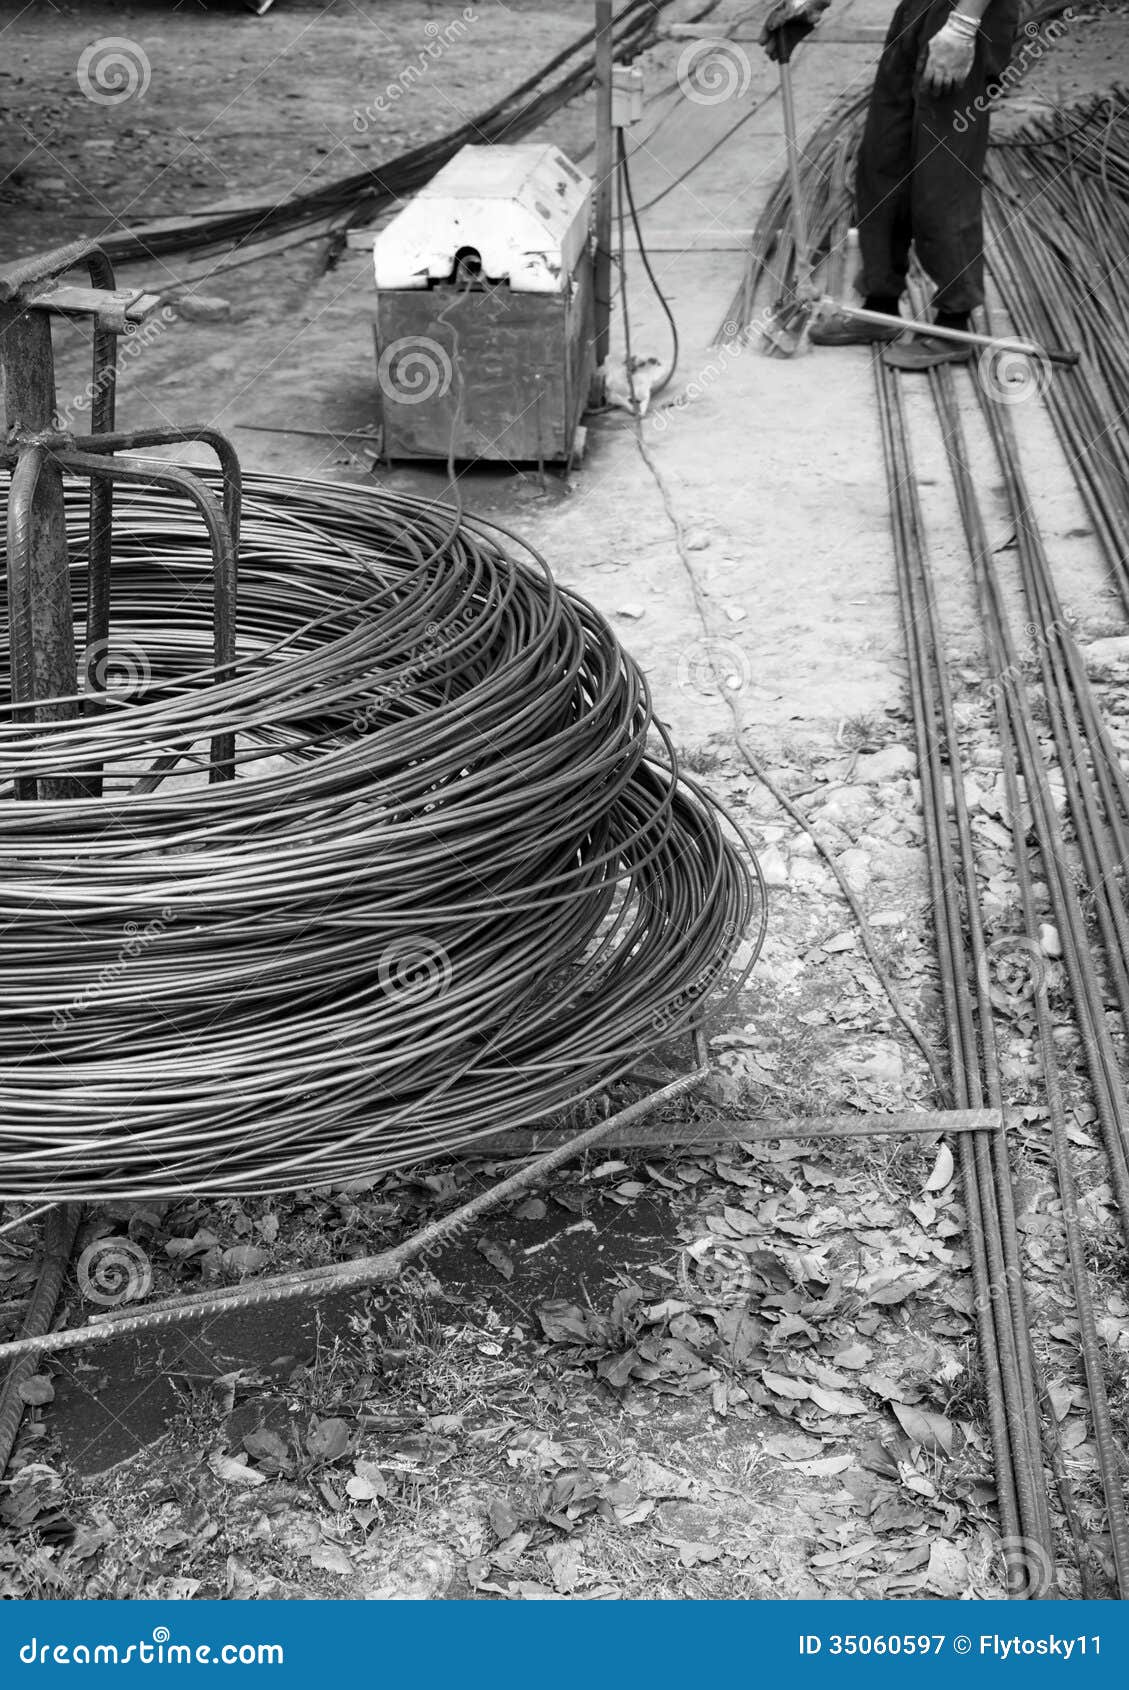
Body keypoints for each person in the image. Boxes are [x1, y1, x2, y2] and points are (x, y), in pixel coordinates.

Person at [761, 0, 1021, 369]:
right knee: (882, 160)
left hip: (967, 12)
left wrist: (964, 25)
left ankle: (953, 320)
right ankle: (880, 306)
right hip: (918, 10)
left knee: (942, 175)